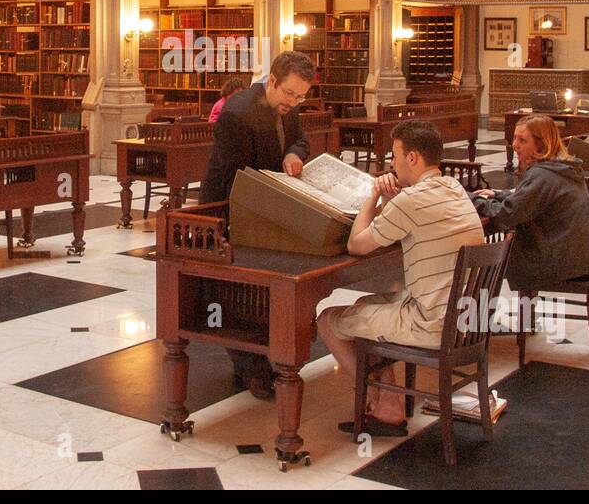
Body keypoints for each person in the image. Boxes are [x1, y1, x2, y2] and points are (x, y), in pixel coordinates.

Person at [317, 120, 484, 437]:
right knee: (367, 304)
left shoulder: (411, 201)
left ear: (413, 158)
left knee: (328, 319)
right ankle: (389, 403)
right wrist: (393, 201)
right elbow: (414, 221)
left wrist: (373, 196)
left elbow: (357, 244)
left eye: (394, 156)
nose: (390, 163)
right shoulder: (453, 189)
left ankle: (378, 403)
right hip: (466, 320)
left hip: (431, 324)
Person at [198, 51, 314, 398]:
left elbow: (300, 139)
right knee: (236, 291)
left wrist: (294, 154)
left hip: (267, 206)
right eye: (290, 94)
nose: (294, 102)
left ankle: (260, 364)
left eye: (301, 97)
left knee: (264, 292)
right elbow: (240, 176)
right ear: (272, 81)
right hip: (229, 209)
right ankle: (252, 369)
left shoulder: (287, 106)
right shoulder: (236, 113)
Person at [472, 114, 589, 298]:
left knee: (484, 262)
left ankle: (476, 320)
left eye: (522, 140)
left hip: (555, 262)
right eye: (514, 138)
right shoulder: (562, 167)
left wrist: (475, 201)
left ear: (541, 143)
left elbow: (508, 214)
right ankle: (483, 320)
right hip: (574, 256)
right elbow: (530, 199)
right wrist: (498, 195)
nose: (514, 145)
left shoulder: (542, 175)